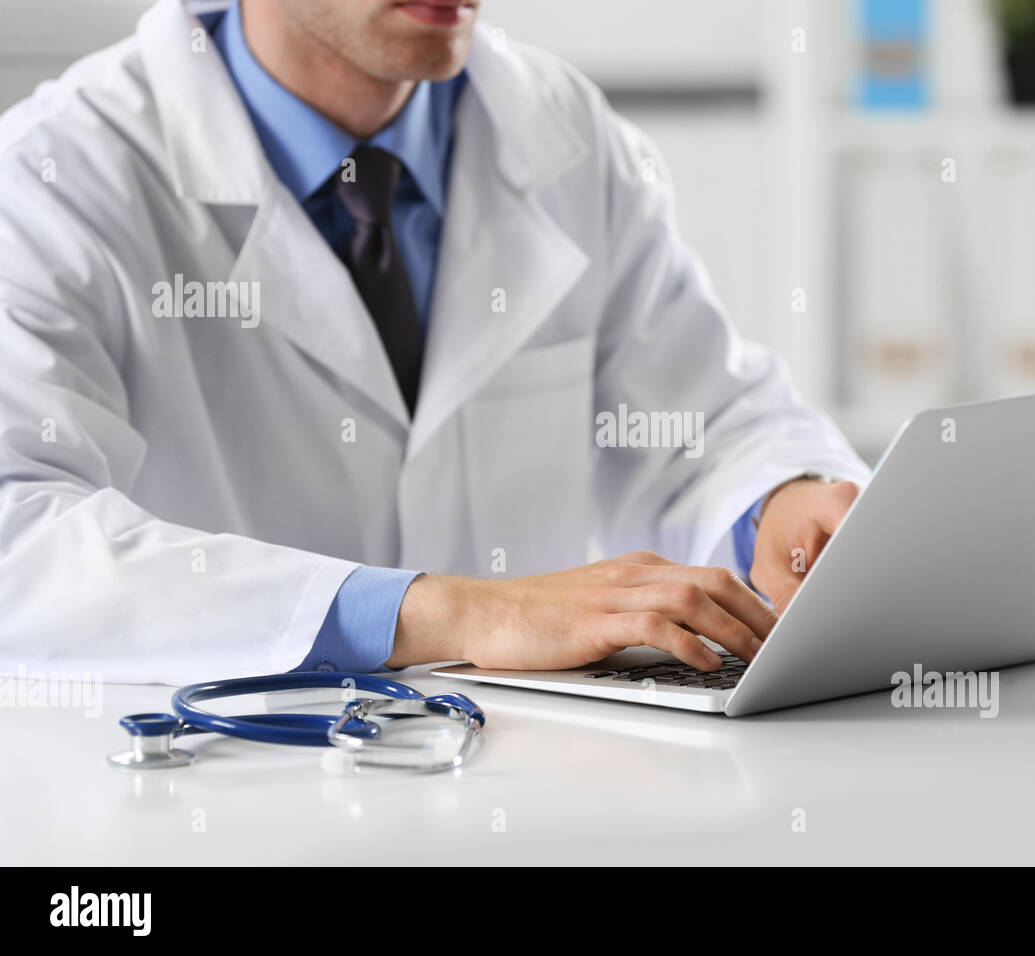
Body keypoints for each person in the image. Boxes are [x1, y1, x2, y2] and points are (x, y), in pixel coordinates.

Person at [0, 0, 868, 684]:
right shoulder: (55, 175)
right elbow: (21, 543)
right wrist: (453, 613)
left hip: (535, 793)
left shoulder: (559, 127)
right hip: (204, 813)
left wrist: (780, 502)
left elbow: (697, 420)